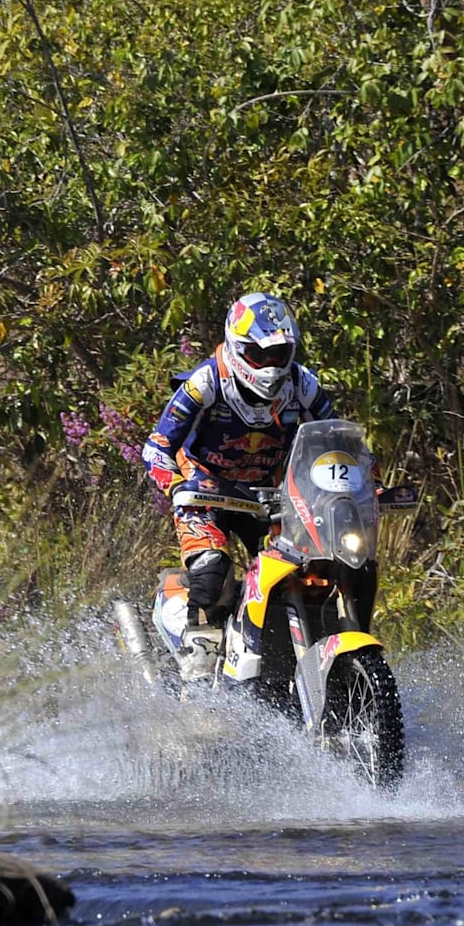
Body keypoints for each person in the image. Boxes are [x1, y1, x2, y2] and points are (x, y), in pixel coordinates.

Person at [141, 291, 337, 680]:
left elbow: (335, 441)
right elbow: (156, 449)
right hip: (205, 492)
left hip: (271, 495)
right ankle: (197, 664)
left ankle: (304, 657)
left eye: (279, 355)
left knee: (312, 569)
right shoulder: (205, 382)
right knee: (212, 567)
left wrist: (368, 485)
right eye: (259, 355)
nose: (270, 366)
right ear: (237, 347)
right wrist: (177, 486)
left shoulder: (304, 386)